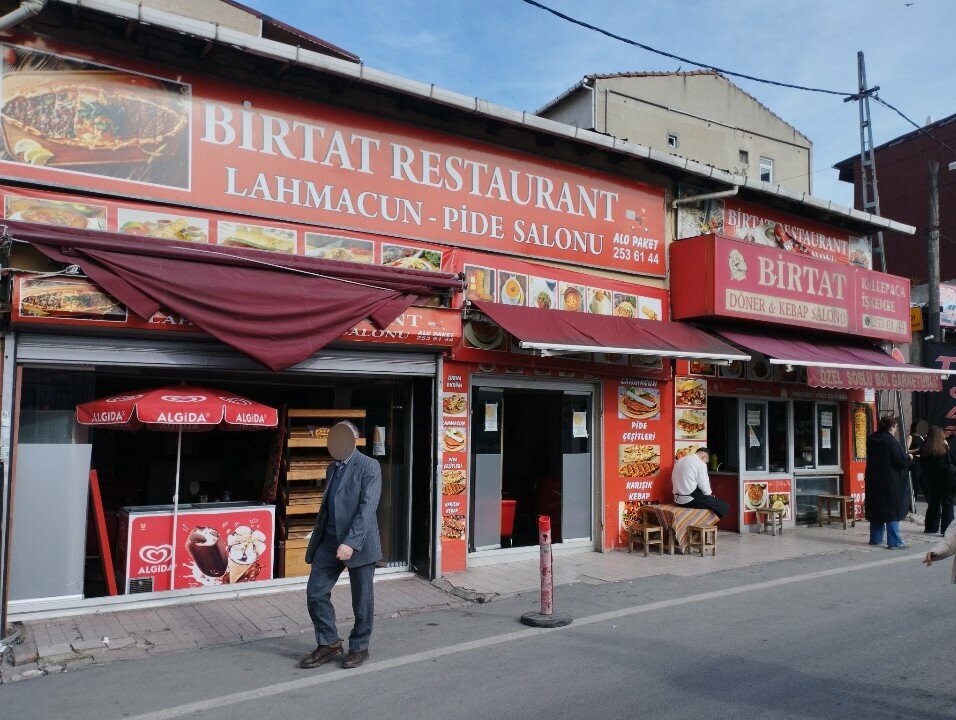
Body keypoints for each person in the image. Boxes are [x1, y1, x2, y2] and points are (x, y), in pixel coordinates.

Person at [299, 421, 382, 670]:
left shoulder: (369, 466)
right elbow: (329, 507)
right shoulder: (332, 468)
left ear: (354, 441)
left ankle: (359, 647)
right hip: (329, 541)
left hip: (359, 542)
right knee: (315, 592)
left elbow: (367, 508)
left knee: (362, 600)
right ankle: (329, 642)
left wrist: (350, 542)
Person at [864, 415, 912, 549]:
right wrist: (910, 457)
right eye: (895, 426)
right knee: (892, 510)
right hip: (891, 482)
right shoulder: (891, 442)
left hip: (874, 480)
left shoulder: (871, 439)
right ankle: (895, 541)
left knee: (877, 509)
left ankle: (875, 538)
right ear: (891, 427)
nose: (896, 429)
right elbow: (900, 461)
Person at [672, 447, 729, 518]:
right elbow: (705, 488)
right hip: (689, 501)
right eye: (706, 462)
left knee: (711, 501)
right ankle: (703, 524)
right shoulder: (700, 463)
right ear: (704, 457)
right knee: (723, 505)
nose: (705, 464)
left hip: (677, 500)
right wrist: (710, 497)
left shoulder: (679, 460)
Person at [919, 426, 954, 535]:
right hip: (945, 480)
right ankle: (946, 529)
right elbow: (949, 464)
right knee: (947, 504)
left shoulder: (924, 448)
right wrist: (948, 448)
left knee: (933, 504)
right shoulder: (944, 448)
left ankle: (931, 528)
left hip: (930, 480)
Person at [906, 420, 925, 499]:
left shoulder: (922, 437)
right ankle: (912, 499)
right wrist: (916, 450)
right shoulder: (910, 437)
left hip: (922, 461)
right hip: (915, 460)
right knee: (915, 481)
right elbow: (906, 450)